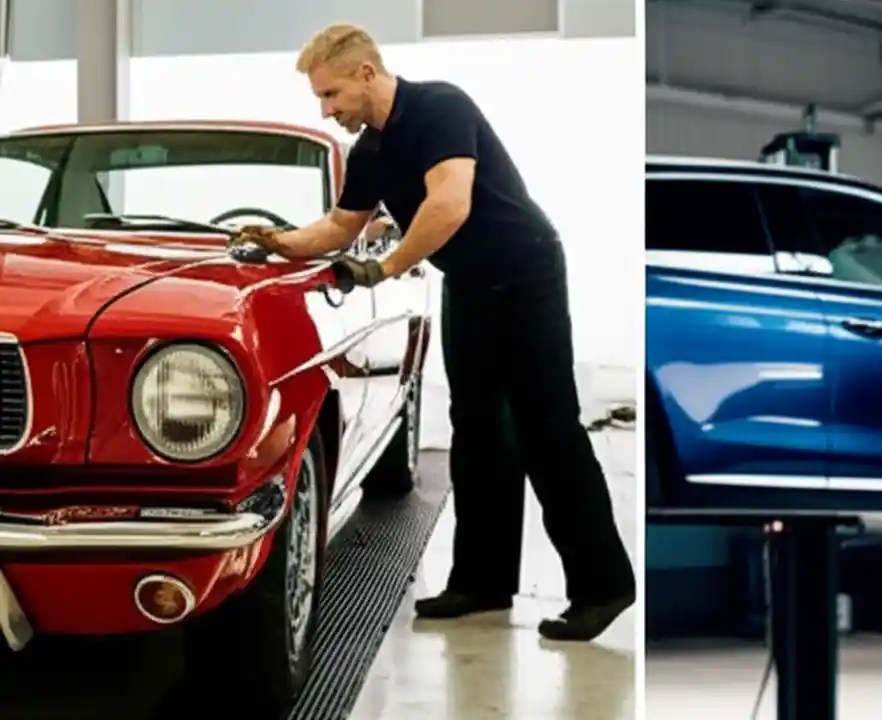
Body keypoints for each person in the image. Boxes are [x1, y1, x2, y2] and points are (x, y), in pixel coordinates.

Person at [235, 23, 635, 642]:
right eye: (320, 99)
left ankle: (602, 586)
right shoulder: (369, 152)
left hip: (524, 268)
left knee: (545, 426)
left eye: (331, 95)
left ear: (367, 74)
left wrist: (386, 267)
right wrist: (274, 242)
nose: (327, 109)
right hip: (470, 281)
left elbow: (451, 203)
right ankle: (481, 581)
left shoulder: (440, 106)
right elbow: (340, 227)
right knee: (476, 431)